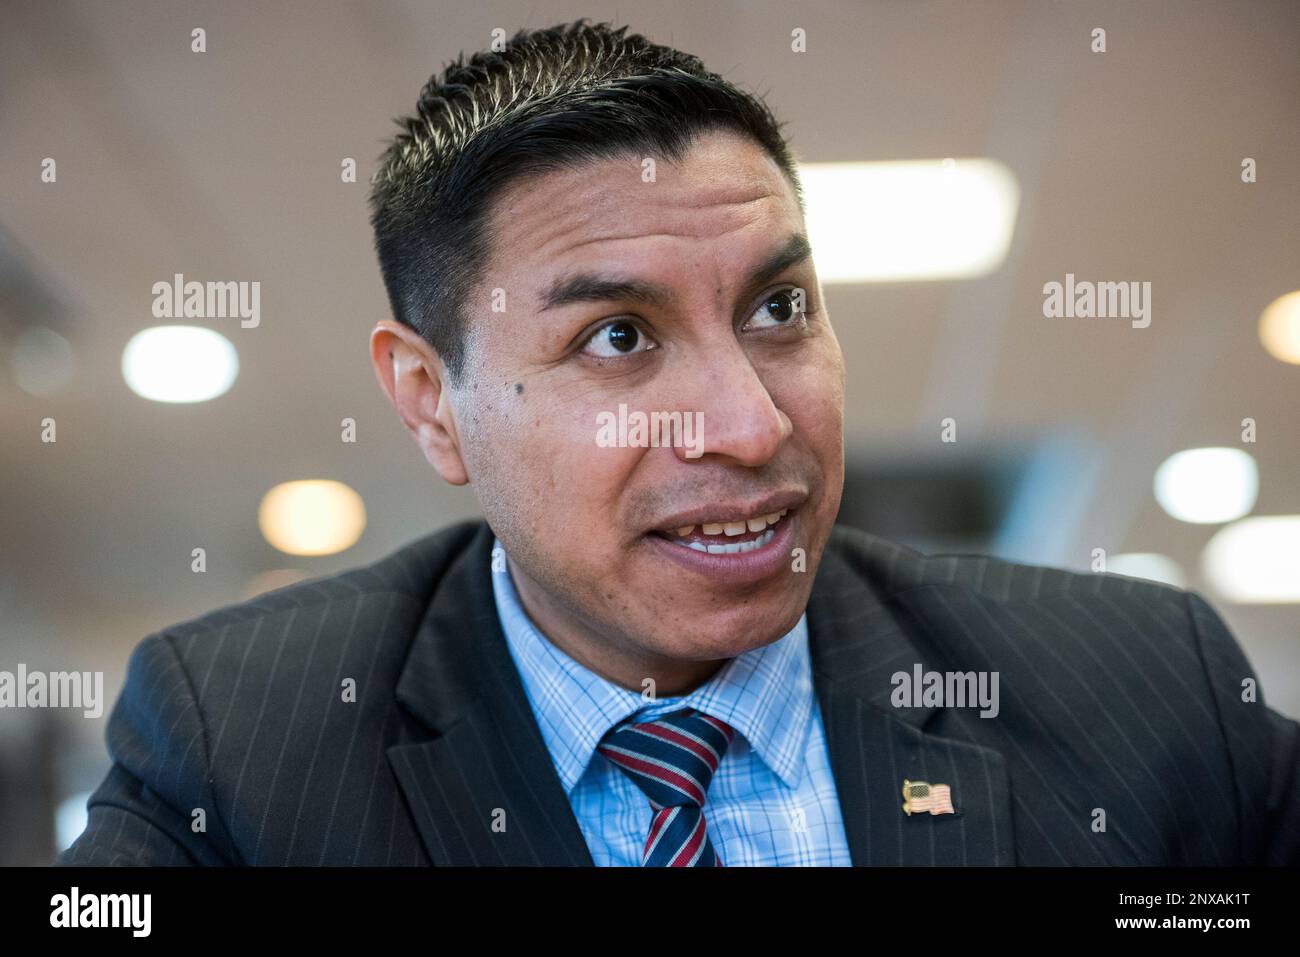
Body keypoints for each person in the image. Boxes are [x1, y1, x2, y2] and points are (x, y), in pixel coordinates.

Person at [59, 19, 1297, 867]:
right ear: (433, 402)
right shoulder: (243, 744)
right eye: (615, 338)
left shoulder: (1144, 691)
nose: (753, 426)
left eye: (778, 309)